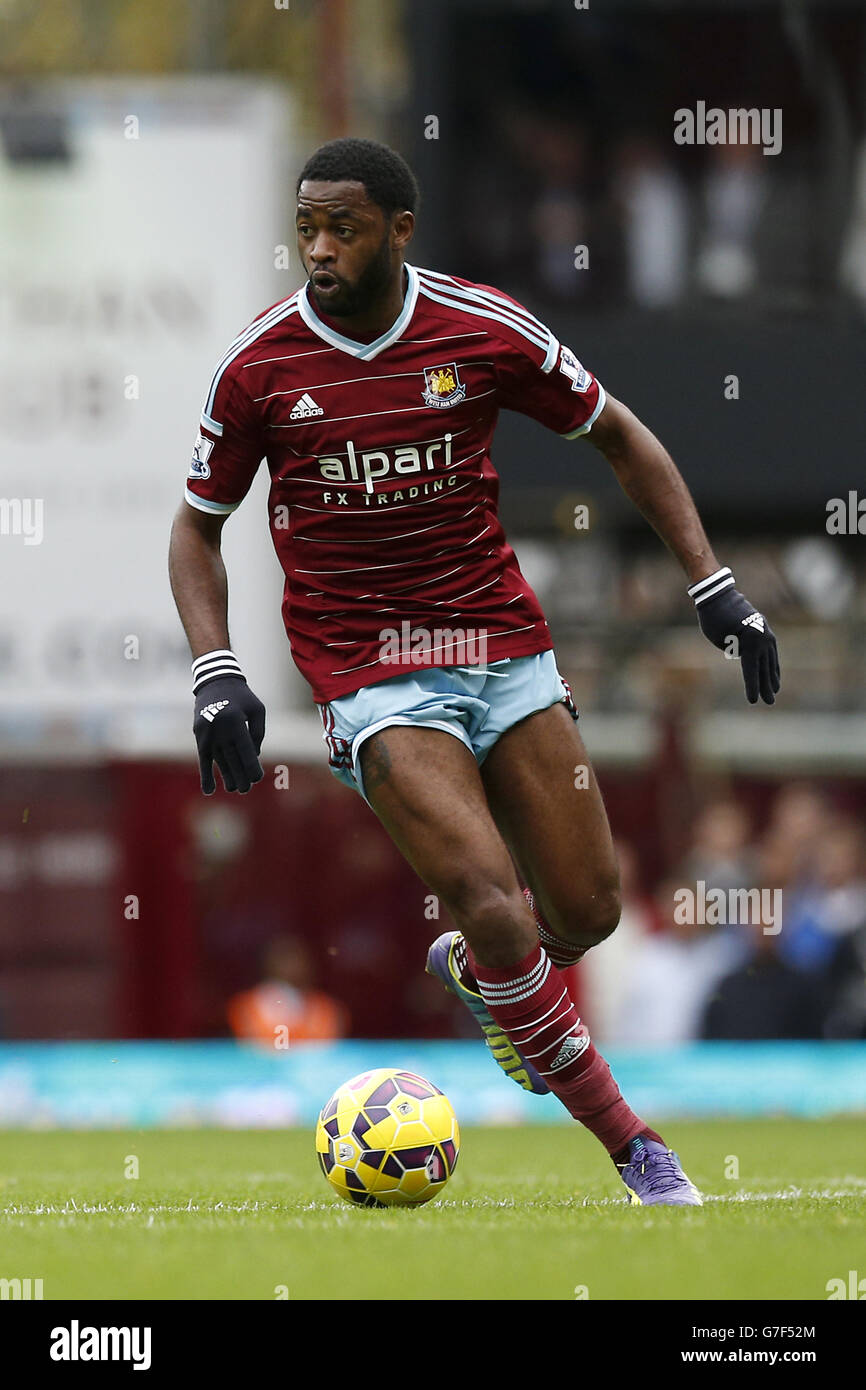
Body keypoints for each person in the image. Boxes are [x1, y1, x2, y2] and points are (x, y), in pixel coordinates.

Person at [169, 137, 781, 1207]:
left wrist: (712, 583)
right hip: (369, 671)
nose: (317, 247)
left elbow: (620, 437)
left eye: (342, 227)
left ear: (398, 231)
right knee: (488, 895)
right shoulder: (259, 366)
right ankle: (635, 1149)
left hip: (499, 645)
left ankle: (487, 972)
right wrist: (217, 669)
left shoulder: (483, 328)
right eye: (305, 225)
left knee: (582, 912)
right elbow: (195, 529)